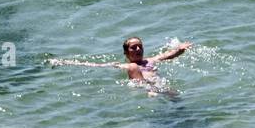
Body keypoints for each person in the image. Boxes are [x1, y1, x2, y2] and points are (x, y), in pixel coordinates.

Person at [51, 36, 192, 94]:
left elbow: (169, 55)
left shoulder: (151, 60)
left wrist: (180, 49)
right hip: (142, 86)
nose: (138, 49)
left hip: (158, 84)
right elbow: (94, 65)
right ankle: (151, 91)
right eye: (133, 47)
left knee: (174, 97)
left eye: (140, 46)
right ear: (126, 53)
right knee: (133, 67)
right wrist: (64, 62)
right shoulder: (123, 66)